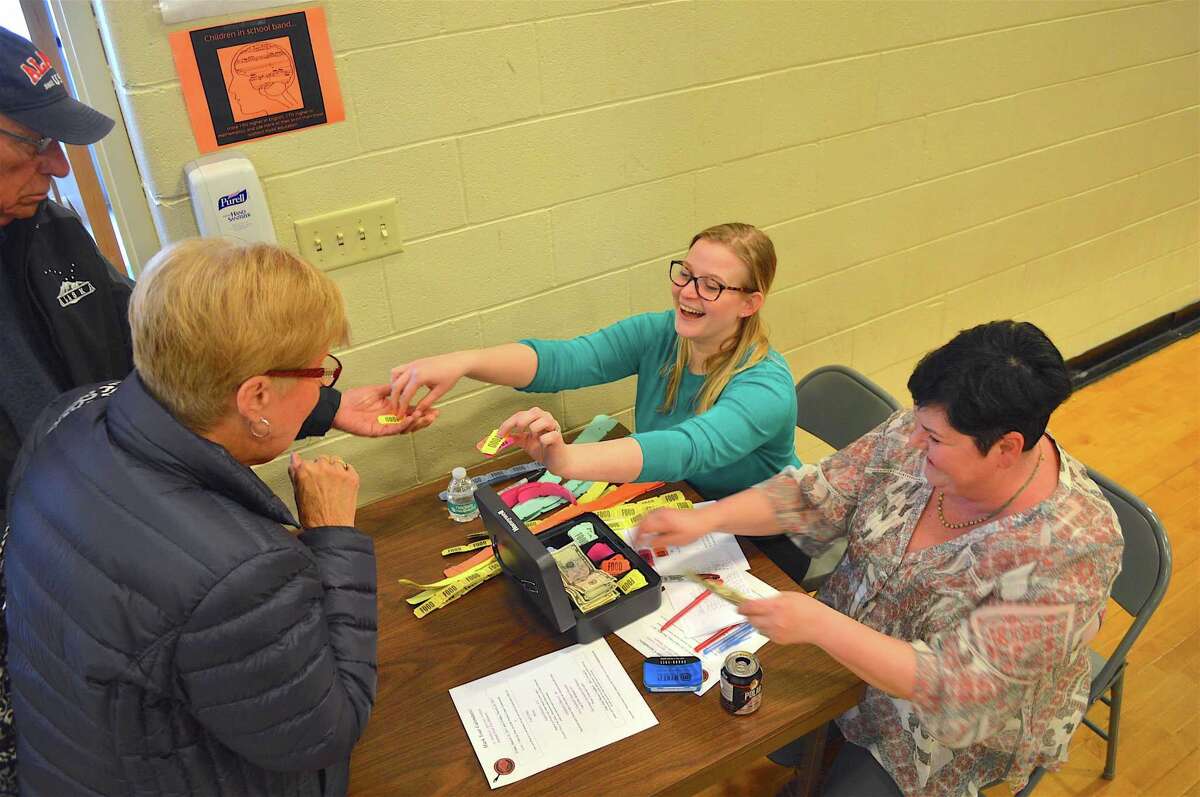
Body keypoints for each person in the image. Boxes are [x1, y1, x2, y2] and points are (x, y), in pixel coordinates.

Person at [636, 321, 1124, 797]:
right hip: (841, 644)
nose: (912, 442)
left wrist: (821, 625)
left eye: (933, 439)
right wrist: (708, 519)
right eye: (918, 423)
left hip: (941, 727)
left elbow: (960, 691)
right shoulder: (923, 431)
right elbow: (817, 495)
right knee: (740, 725)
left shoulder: (1073, 547)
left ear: (1005, 448)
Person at [5, 240, 381, 796]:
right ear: (255, 395)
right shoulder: (239, 573)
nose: (324, 386)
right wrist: (334, 535)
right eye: (320, 372)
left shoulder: (69, 418)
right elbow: (326, 733)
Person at [391, 222, 799, 487]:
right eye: (686, 274)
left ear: (749, 303)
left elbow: (686, 449)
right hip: (684, 506)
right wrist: (464, 362)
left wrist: (567, 459)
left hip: (762, 541)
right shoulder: (660, 333)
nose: (688, 292)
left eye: (711, 285)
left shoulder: (765, 386)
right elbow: (566, 360)